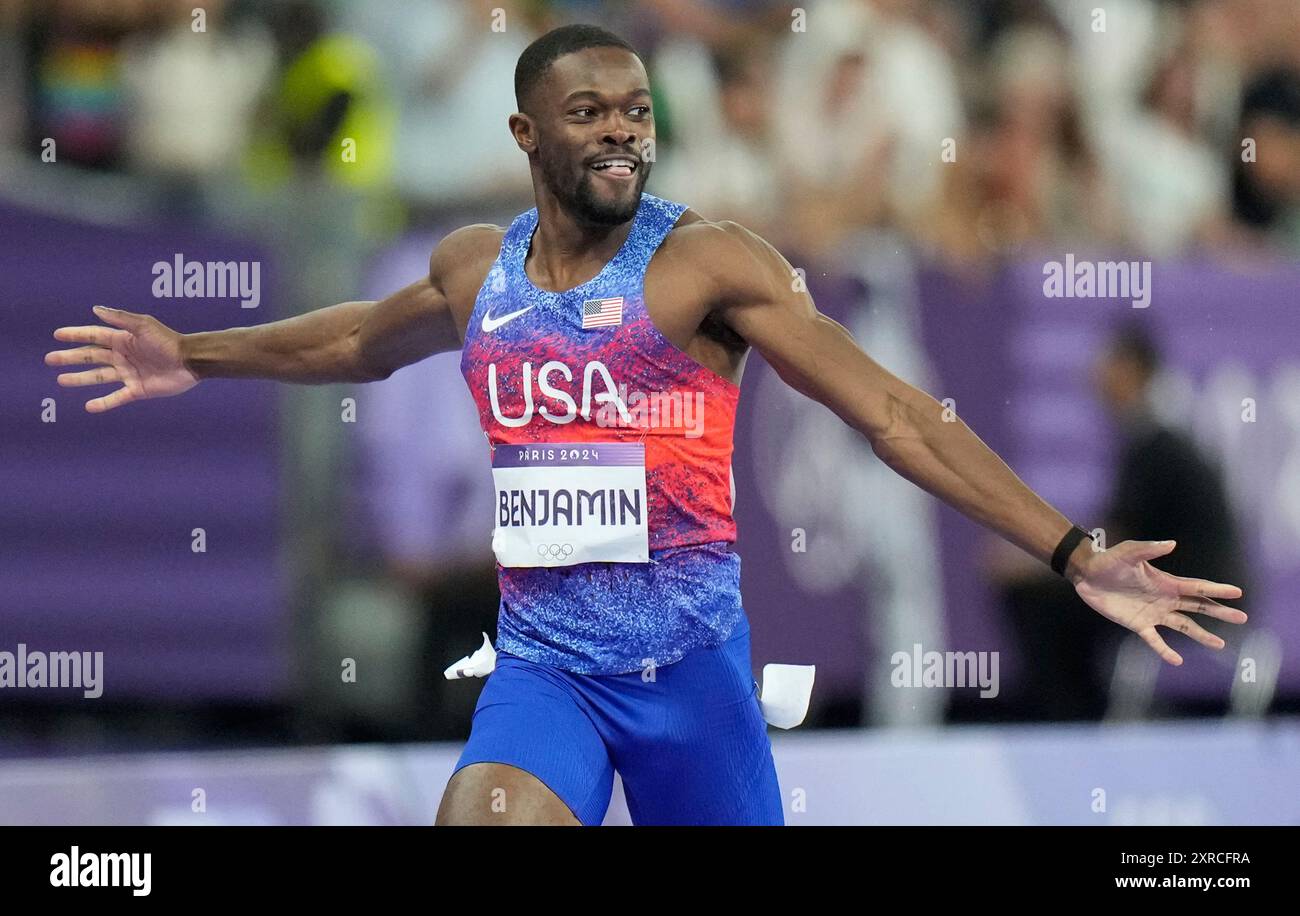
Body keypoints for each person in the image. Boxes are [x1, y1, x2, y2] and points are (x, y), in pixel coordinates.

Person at [45, 24, 1246, 826]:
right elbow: (357, 339)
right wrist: (190, 351)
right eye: (588, 111)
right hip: (546, 671)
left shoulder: (706, 265)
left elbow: (893, 412)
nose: (622, 128)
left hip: (691, 679)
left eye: (635, 110)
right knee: (479, 818)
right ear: (528, 136)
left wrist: (1073, 551)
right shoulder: (477, 272)